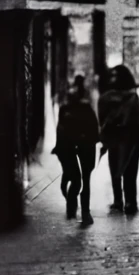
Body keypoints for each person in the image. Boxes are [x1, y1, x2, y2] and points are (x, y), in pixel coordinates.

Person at [98, 64, 139, 214]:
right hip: (131, 139)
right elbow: (137, 120)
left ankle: (118, 201)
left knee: (115, 169)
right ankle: (130, 202)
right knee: (130, 171)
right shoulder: (133, 98)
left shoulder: (105, 98)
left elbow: (101, 119)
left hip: (115, 138)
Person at [53, 76, 99, 227]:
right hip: (81, 146)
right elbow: (94, 129)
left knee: (77, 180)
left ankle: (74, 209)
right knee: (83, 180)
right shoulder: (82, 108)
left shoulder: (68, 109)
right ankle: (83, 211)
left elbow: (61, 130)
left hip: (73, 147)